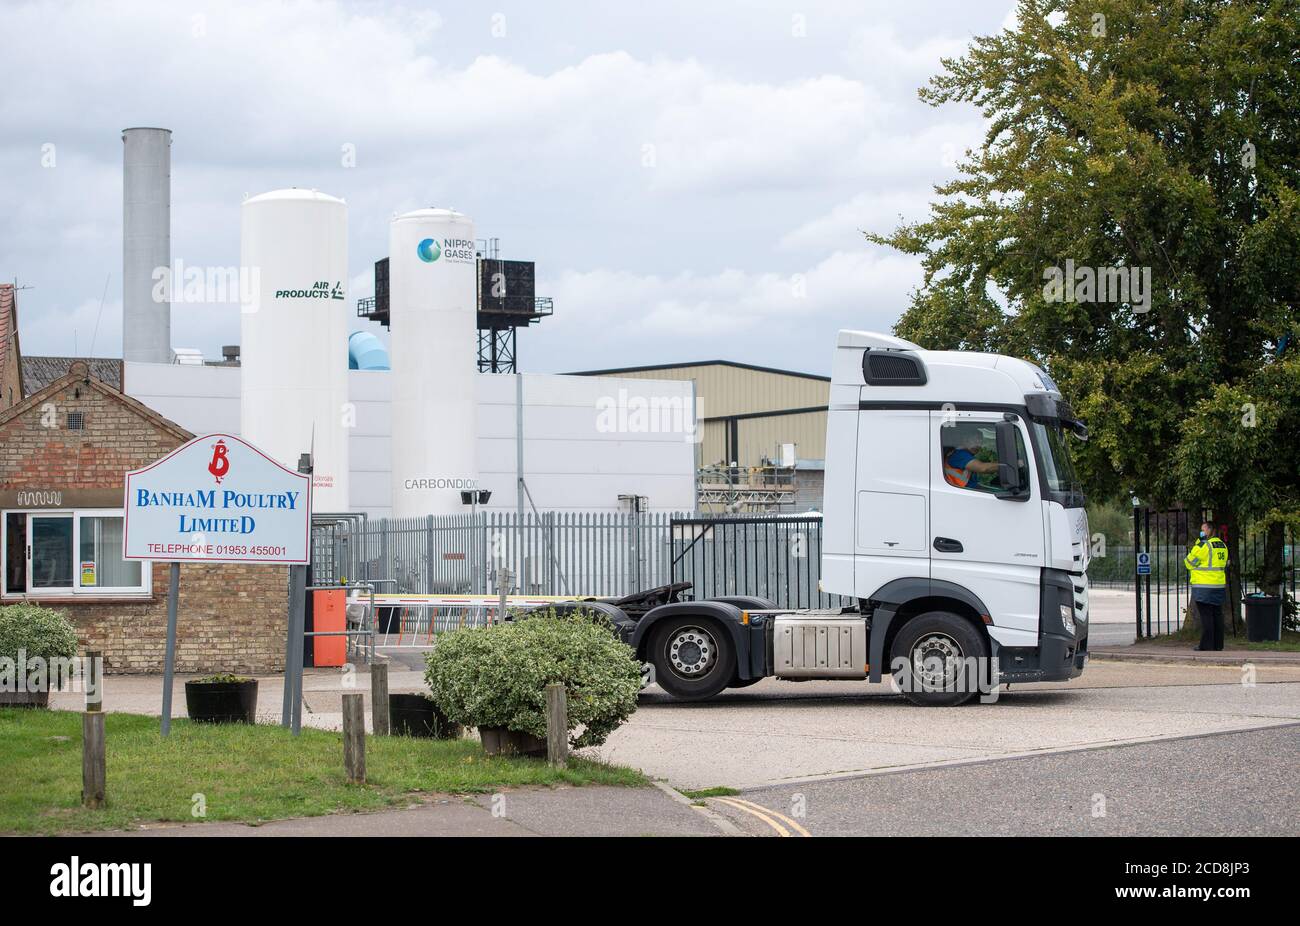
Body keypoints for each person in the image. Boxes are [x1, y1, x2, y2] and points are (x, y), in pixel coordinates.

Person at [1184, 521, 1229, 651]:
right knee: (1217, 615)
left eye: (1203, 530)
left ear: (1209, 530)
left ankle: (1206, 645)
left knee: (1206, 616)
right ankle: (1218, 645)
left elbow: (1189, 562)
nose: (1201, 532)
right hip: (1218, 585)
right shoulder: (1222, 545)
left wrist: (1199, 543)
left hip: (1204, 587)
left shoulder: (1205, 545)